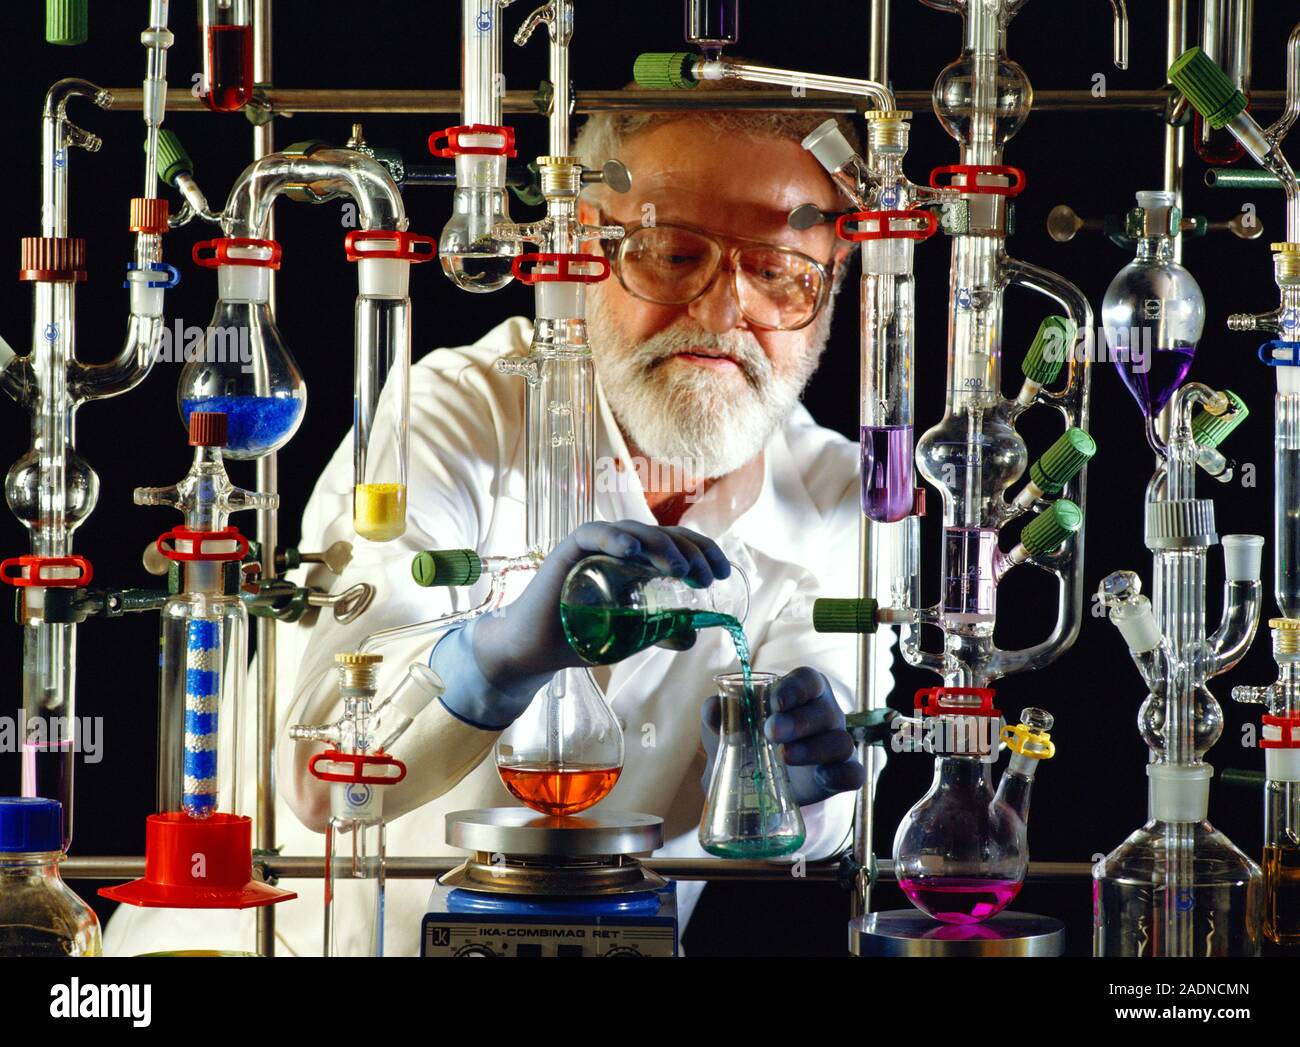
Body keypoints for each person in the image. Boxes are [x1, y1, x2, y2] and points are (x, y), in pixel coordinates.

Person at [105, 91, 892, 957]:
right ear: (583, 241)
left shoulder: (843, 494)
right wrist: (486, 662)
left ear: (837, 273)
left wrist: (805, 773)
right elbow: (324, 776)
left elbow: (824, 824)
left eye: (779, 270)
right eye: (673, 254)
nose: (721, 310)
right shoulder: (452, 416)